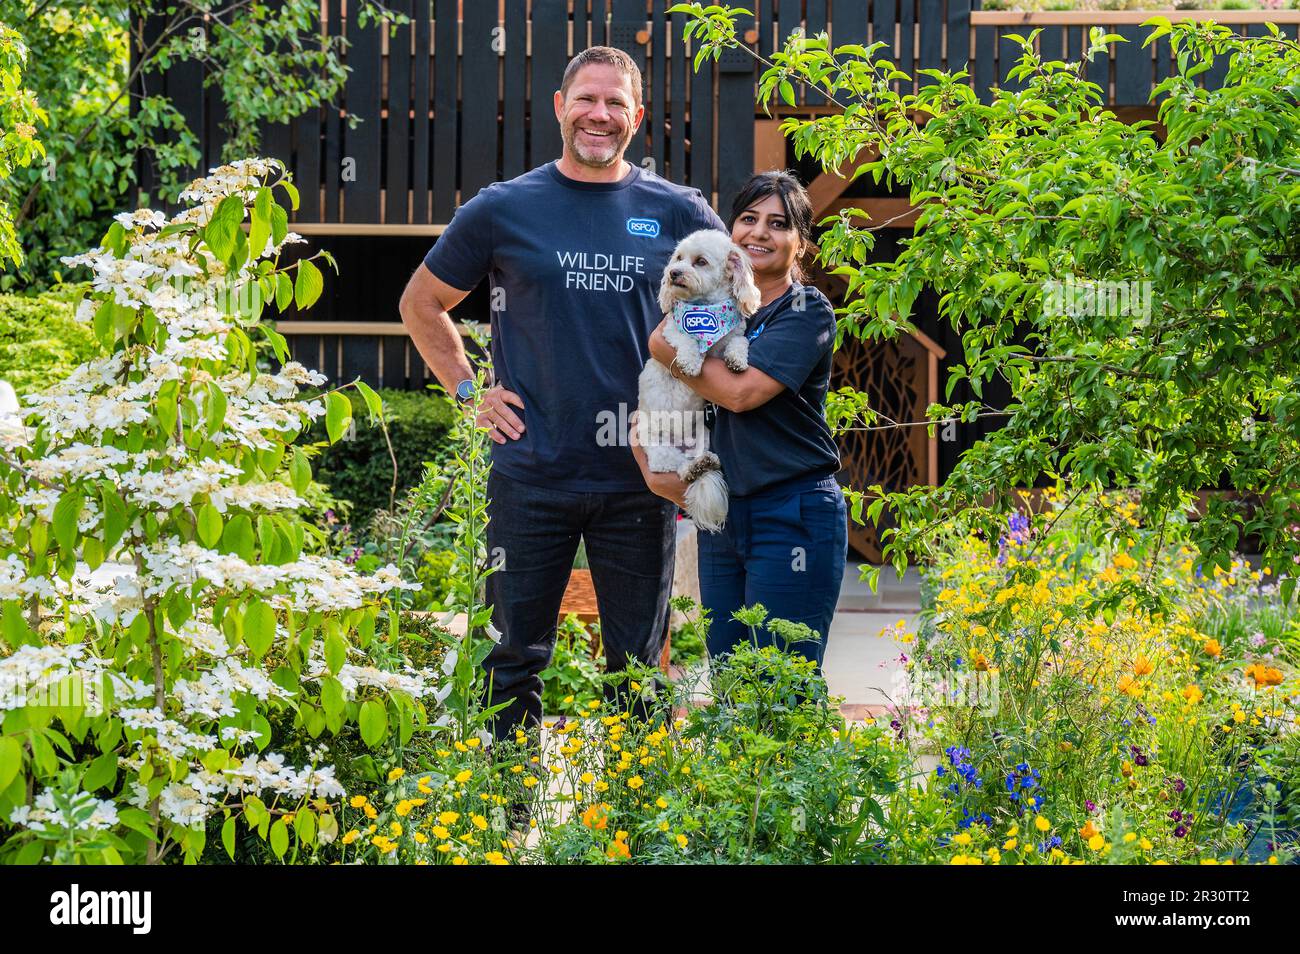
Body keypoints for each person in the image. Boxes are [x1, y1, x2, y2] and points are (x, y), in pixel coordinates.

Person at [398, 46, 726, 740]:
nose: (598, 115)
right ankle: (507, 825)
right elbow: (422, 303)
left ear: (636, 117)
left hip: (639, 480)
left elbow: (726, 313)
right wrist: (469, 391)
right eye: (586, 99)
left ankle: (633, 826)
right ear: (559, 106)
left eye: (614, 104)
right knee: (511, 656)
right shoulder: (505, 209)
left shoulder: (676, 212)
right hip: (530, 472)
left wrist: (678, 396)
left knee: (636, 668)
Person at [630, 171, 846, 669]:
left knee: (782, 681)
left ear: (800, 242)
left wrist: (663, 347)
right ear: (731, 234)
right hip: (723, 514)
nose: (759, 233)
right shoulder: (713, 312)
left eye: (779, 223)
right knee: (729, 679)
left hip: (790, 513)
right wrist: (651, 464)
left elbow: (741, 394)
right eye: (748, 219)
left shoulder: (805, 311)